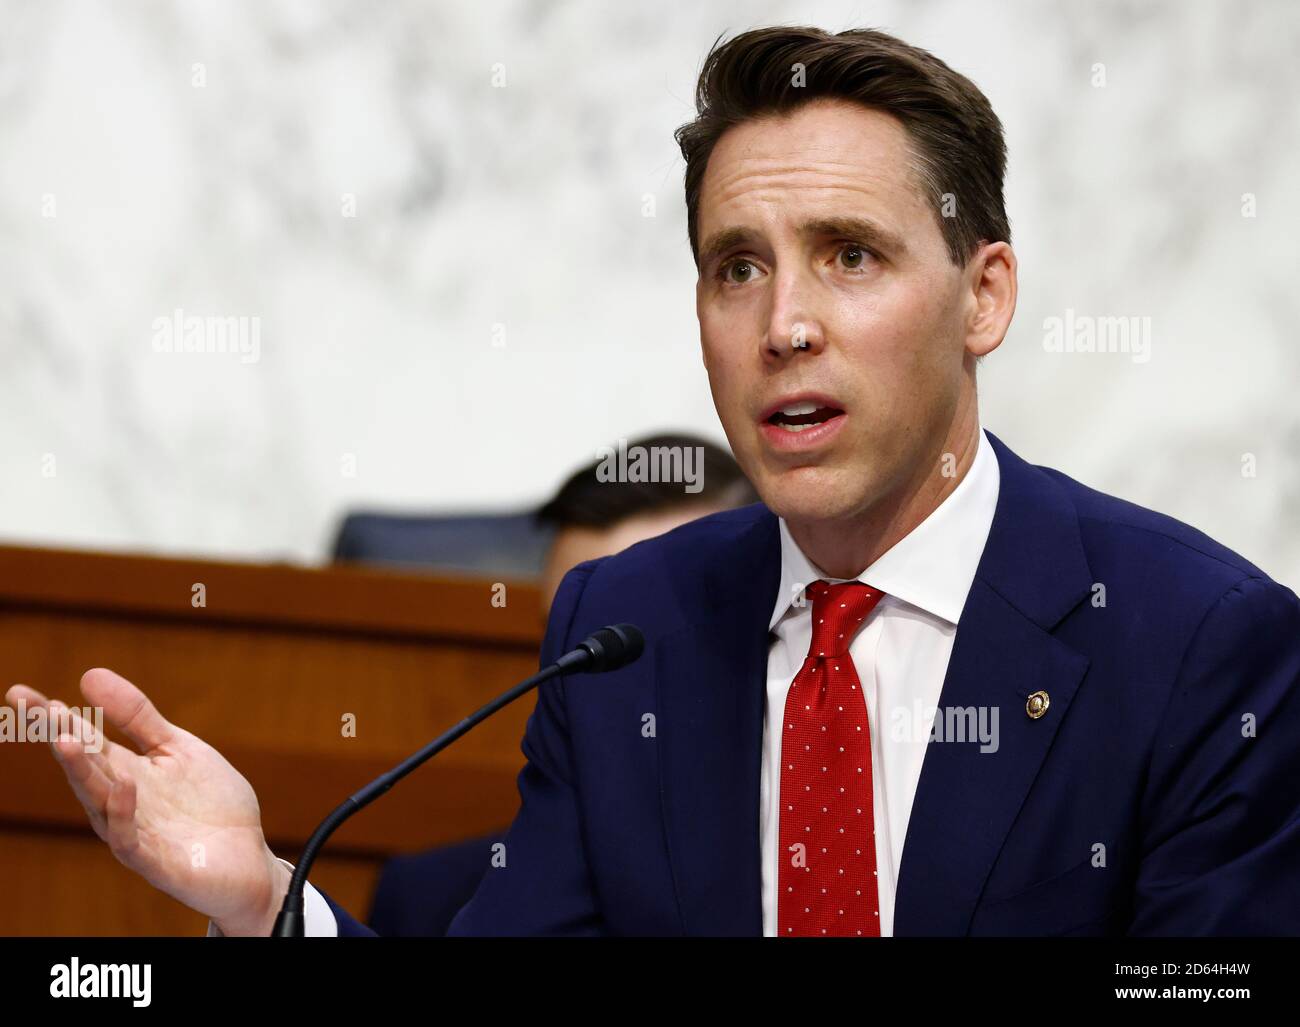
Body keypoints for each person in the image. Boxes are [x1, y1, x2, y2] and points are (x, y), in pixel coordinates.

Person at [9, 26, 1299, 937]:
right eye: (736, 266)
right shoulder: (628, 630)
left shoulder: (1195, 642)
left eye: (849, 255)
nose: (784, 321)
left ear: (984, 296)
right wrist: (267, 905)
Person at [367, 432, 756, 936]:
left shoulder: (832, 834)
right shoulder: (435, 902)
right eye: (573, 636)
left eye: (648, 637)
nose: (604, 683)